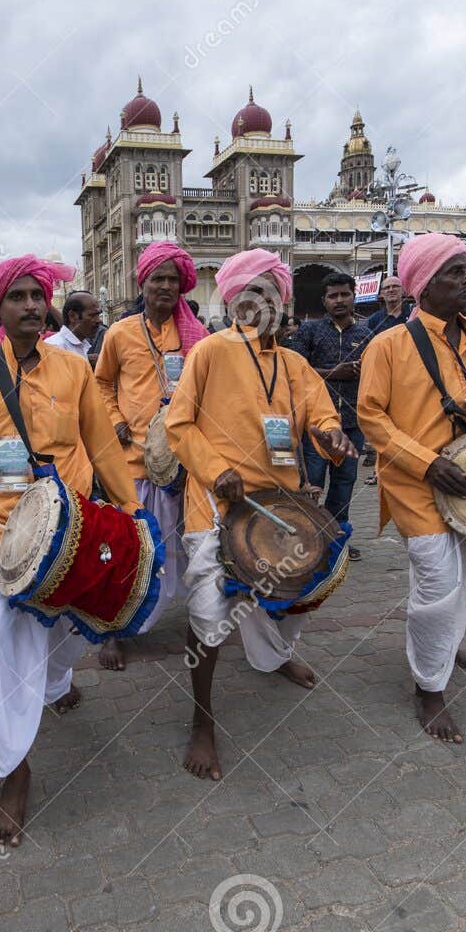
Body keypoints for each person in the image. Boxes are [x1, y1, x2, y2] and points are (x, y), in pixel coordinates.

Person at [0, 256, 137, 844]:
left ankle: (57, 685)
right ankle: (14, 766)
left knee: (68, 629)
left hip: (74, 529)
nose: (32, 306)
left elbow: (100, 444)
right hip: (0, 530)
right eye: (17, 297)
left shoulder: (74, 368)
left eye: (39, 296)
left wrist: (134, 513)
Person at [166, 249, 354, 779]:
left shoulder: (294, 364)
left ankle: (272, 656)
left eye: (269, 293)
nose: (259, 302)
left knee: (293, 594)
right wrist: (212, 467)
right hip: (217, 502)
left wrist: (331, 437)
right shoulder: (209, 353)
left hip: (281, 505)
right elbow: (178, 425)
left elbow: (321, 415)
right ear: (231, 302)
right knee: (208, 614)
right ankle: (202, 719)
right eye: (248, 294)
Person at [358, 234, 466, 744]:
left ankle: (445, 644)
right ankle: (428, 688)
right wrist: (427, 464)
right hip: (416, 483)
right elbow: (371, 417)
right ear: (423, 286)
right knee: (437, 582)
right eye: (455, 272)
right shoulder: (388, 344)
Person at [92, 241, 210, 670]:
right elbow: (101, 383)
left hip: (182, 464)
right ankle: (113, 630)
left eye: (172, 279)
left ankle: (202, 621)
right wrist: (115, 420)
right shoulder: (120, 333)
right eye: (157, 278)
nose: (165, 286)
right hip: (133, 464)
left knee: (192, 550)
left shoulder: (197, 335)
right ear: (142, 283)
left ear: (182, 285)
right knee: (131, 552)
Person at [293, 271, 373, 552]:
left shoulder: (367, 335)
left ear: (354, 296)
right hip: (316, 426)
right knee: (312, 481)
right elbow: (296, 372)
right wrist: (332, 373)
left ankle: (336, 540)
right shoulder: (309, 331)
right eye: (333, 296)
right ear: (324, 300)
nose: (339, 300)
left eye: (345, 294)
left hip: (352, 424)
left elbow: (377, 377)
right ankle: (307, 542)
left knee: (344, 484)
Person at [48, 290, 101, 362]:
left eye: (98, 315)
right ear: (73, 316)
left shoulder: (83, 345)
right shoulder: (55, 348)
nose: (99, 321)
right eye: (92, 315)